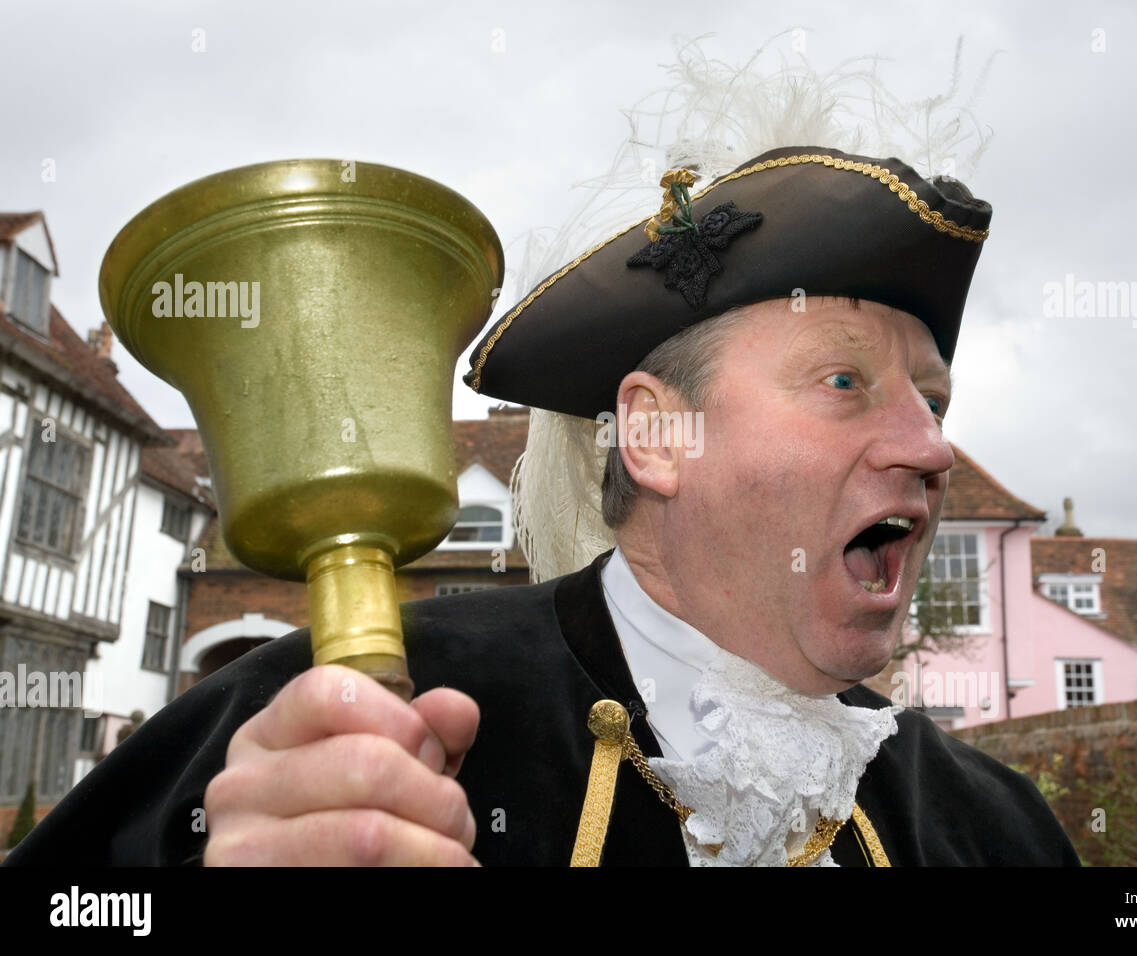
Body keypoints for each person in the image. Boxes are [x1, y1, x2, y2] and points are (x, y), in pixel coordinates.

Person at [3, 144, 1080, 867]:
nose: (931, 445)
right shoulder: (329, 709)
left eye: (932, 399)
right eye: (844, 382)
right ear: (658, 435)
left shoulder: (995, 826)